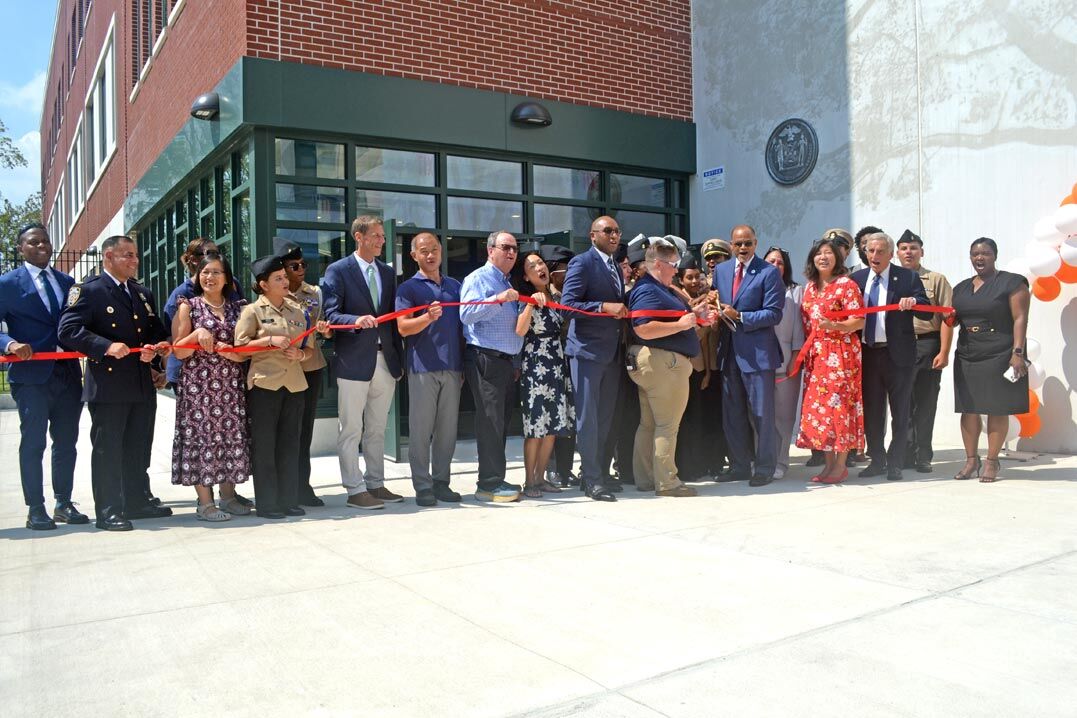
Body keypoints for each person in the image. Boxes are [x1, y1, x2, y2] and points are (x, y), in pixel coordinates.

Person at [57, 235, 172, 530]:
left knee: (138, 445)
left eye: (135, 255)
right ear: (108, 257)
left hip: (141, 382)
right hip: (109, 385)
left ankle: (136, 501)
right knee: (109, 449)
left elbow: (156, 330)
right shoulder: (89, 290)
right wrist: (105, 346)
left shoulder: (142, 293)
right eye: (127, 255)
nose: (134, 260)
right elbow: (68, 330)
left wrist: (156, 348)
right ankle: (108, 510)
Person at [0, 223, 87, 530]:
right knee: (33, 443)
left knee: (66, 442)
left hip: (66, 374)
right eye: (33, 243)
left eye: (46, 242)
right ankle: (35, 508)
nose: (42, 247)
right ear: (21, 248)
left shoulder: (67, 282)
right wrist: (9, 344)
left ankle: (63, 503)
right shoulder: (7, 284)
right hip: (31, 377)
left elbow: (78, 322)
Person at [162, 238, 252, 510]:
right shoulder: (188, 305)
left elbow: (246, 349)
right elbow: (179, 351)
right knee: (203, 440)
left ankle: (227, 497)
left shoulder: (240, 307)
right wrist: (196, 334)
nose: (209, 277)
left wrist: (232, 353)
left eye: (216, 272)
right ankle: (205, 504)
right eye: (205, 272)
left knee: (229, 437)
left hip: (230, 385)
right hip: (199, 387)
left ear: (227, 278)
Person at [322, 216, 405, 510]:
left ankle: (375, 484)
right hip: (354, 361)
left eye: (383, 236)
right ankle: (354, 489)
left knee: (377, 428)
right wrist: (355, 320)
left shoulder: (386, 272)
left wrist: (399, 359)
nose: (382, 241)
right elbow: (330, 315)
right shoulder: (338, 271)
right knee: (351, 429)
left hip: (386, 361)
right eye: (377, 236)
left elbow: (393, 321)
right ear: (359, 236)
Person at [235, 255, 318, 519]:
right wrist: (267, 340)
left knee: (290, 444)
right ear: (263, 285)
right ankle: (268, 503)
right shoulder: (252, 311)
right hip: (265, 385)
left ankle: (289, 499)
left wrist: (301, 356)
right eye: (279, 278)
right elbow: (240, 347)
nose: (285, 281)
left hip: (294, 385)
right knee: (265, 445)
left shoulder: (297, 310)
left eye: (284, 277)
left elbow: (309, 347)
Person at [627, 241, 712, 496]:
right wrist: (682, 324)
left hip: (658, 363)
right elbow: (642, 327)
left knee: (650, 424)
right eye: (673, 265)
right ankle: (667, 482)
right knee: (667, 426)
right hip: (662, 363)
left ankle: (646, 478)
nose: (676, 270)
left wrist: (692, 316)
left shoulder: (657, 288)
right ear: (658, 264)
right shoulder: (648, 289)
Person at [949, 238, 1030, 483]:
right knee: (968, 408)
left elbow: (1020, 318)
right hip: (967, 353)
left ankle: (992, 461)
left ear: (995, 256)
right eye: (975, 254)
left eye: (985, 253)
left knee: (997, 407)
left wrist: (1017, 353)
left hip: (1000, 352)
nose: (979, 258)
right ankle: (971, 461)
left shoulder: (1012, 283)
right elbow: (954, 318)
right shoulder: (961, 287)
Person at [852, 232, 931, 481]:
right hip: (868, 354)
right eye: (870, 251)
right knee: (873, 411)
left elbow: (927, 310)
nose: (874, 256)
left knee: (901, 411)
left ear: (890, 253)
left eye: (879, 252)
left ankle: (896, 462)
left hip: (898, 355)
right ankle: (877, 460)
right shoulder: (856, 279)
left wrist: (914, 301)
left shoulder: (907, 277)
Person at [560, 215, 628, 502]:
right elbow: (568, 306)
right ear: (593, 235)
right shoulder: (582, 263)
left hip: (611, 353)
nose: (614, 236)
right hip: (586, 352)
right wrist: (602, 306)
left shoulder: (614, 266)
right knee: (588, 419)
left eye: (617, 231)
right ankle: (591, 480)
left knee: (604, 418)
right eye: (608, 231)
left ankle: (596, 472)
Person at [711, 224, 784, 486]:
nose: (743, 248)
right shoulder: (720, 270)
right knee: (732, 414)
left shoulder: (769, 272)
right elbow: (717, 302)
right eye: (738, 244)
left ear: (756, 243)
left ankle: (764, 467)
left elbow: (774, 313)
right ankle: (739, 465)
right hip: (729, 352)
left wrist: (740, 316)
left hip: (757, 354)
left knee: (761, 415)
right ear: (731, 245)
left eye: (748, 243)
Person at [395, 232, 464, 507]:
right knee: (421, 431)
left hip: (453, 366)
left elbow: (462, 328)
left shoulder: (455, 286)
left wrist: (463, 368)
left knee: (447, 431)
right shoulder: (408, 289)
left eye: (434, 249)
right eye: (424, 251)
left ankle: (441, 482)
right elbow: (402, 327)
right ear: (414, 256)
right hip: (422, 367)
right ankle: (422, 486)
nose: (430, 255)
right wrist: (426, 317)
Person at [460, 230, 525, 502]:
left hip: (507, 363)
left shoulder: (507, 281)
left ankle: (495, 478)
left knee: (500, 423)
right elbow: (466, 314)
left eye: (514, 248)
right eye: (505, 247)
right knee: (489, 422)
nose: (511, 252)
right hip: (486, 359)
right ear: (490, 251)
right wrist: (497, 300)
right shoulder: (478, 278)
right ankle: (488, 483)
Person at [796, 238, 866, 483]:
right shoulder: (810, 287)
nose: (823, 257)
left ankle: (841, 464)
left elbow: (859, 321)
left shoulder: (846, 285)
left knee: (840, 407)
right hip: (815, 356)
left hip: (840, 354)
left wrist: (833, 325)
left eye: (828, 253)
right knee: (819, 410)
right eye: (818, 253)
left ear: (838, 257)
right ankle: (827, 464)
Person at [514, 251, 573, 498]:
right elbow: (519, 330)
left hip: (556, 364)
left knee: (552, 427)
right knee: (535, 427)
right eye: (531, 266)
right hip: (536, 365)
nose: (539, 267)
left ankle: (541, 478)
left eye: (540, 262)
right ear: (526, 277)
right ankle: (529, 482)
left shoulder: (556, 296)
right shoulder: (526, 297)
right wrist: (529, 303)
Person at [896, 229, 954, 473]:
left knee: (926, 402)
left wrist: (944, 350)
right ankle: (905, 454)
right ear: (897, 253)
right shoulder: (892, 279)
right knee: (902, 403)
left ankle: (923, 455)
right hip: (898, 345)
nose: (909, 252)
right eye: (904, 248)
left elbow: (947, 317)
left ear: (922, 252)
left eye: (913, 248)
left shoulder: (936, 279)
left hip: (926, 344)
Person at [279, 241, 332, 507]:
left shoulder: (315, 293)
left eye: (303, 265)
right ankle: (284, 487)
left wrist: (327, 330)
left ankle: (303, 486)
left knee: (304, 431)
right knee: (286, 431)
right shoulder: (275, 294)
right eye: (294, 266)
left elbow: (326, 326)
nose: (301, 270)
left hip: (310, 367)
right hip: (283, 370)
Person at [764, 246, 804, 480]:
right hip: (760, 361)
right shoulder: (755, 287)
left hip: (786, 361)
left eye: (779, 263)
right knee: (758, 414)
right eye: (770, 262)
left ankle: (781, 461)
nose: (775, 266)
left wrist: (796, 359)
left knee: (783, 416)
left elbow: (799, 327)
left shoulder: (795, 291)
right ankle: (763, 458)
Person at [541, 244, 579, 488]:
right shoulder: (544, 295)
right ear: (554, 271)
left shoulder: (573, 294)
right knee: (552, 416)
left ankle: (566, 468)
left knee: (570, 416)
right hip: (548, 361)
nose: (569, 275)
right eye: (565, 270)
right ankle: (552, 468)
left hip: (570, 358)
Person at [672, 253, 713, 481]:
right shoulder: (679, 300)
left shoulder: (705, 299)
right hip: (681, 367)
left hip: (697, 368)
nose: (695, 281)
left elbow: (705, 342)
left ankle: (698, 465)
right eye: (689, 277)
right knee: (683, 421)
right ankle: (684, 467)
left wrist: (707, 370)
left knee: (697, 419)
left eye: (698, 276)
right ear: (680, 279)